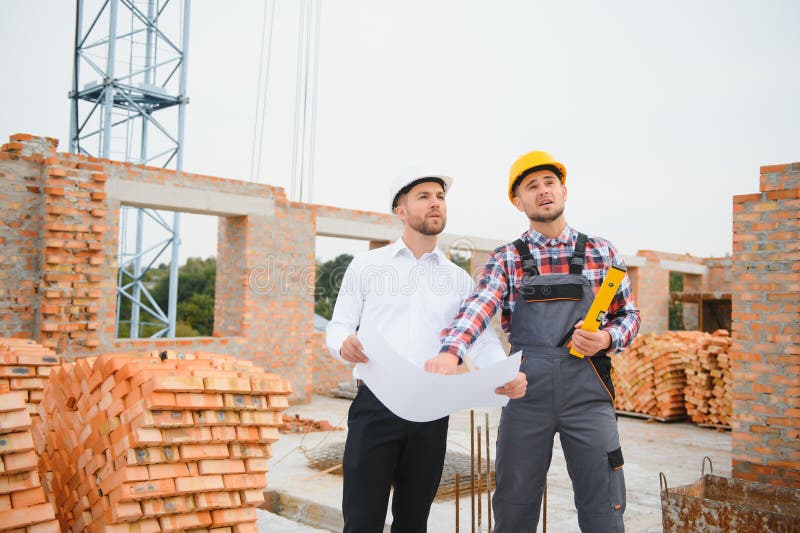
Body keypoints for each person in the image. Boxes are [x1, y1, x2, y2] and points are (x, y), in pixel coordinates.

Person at [425, 151, 641, 532]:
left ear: (564, 190)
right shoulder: (507, 259)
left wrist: (607, 337)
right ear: (517, 201)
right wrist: (450, 351)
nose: (543, 192)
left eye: (549, 183)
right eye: (531, 186)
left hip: (589, 395)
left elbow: (630, 316)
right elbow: (478, 307)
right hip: (526, 395)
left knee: (604, 505)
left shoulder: (601, 252)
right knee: (514, 505)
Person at [326, 170, 527, 533]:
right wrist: (344, 344)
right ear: (400, 210)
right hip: (376, 407)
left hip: (431, 413)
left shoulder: (458, 279)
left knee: (414, 521)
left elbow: (479, 339)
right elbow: (338, 324)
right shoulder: (368, 267)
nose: (435, 201)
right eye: (423, 196)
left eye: (440, 195)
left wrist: (503, 374)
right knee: (362, 520)